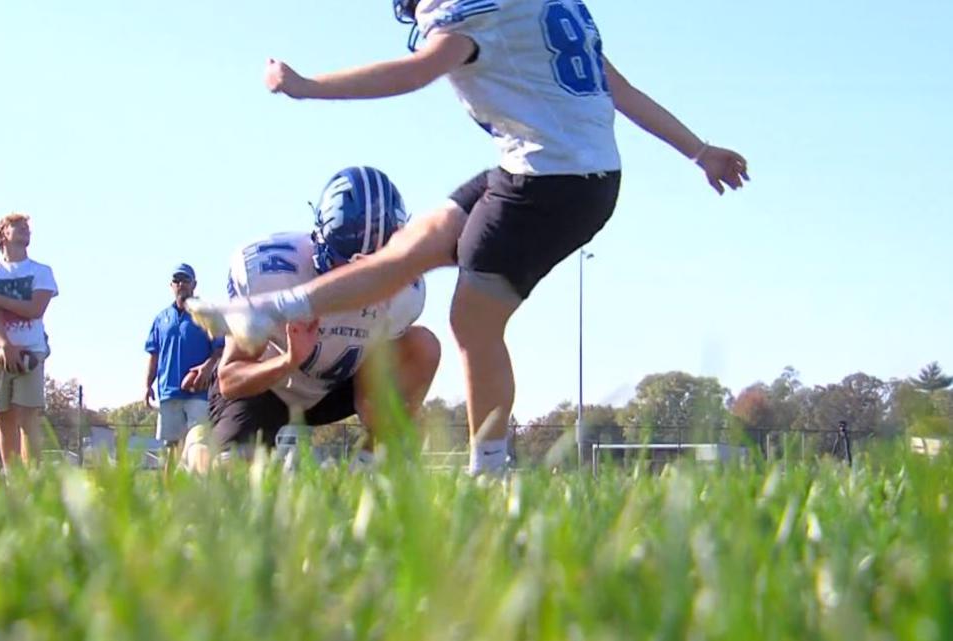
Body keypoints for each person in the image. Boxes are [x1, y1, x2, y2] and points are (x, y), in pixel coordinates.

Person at [188, 0, 749, 474]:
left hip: (551, 184)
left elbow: (414, 72)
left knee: (472, 325)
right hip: (551, 170)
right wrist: (698, 150)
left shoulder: (471, 13)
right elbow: (618, 87)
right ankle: (271, 310)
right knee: (415, 244)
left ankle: (490, 468)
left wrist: (305, 86)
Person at [189, 166, 440, 472]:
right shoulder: (271, 273)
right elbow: (230, 380)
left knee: (423, 345)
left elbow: (371, 382)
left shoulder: (405, 292)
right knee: (232, 477)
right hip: (268, 388)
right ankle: (199, 448)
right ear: (319, 241)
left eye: (372, 269)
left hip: (332, 388)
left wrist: (381, 416)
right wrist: (290, 359)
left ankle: (369, 465)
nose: (355, 280)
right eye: (343, 264)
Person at [0, 212, 58, 470]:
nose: (25, 229)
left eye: (27, 227)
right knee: (4, 420)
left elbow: (35, 309)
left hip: (31, 352)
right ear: (3, 234)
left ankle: (31, 480)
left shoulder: (41, 271)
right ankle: (12, 478)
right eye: (17, 225)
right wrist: (5, 345)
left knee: (28, 419)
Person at [144, 263, 223, 473]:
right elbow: (154, 353)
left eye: (185, 280)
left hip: (199, 393)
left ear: (194, 284)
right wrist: (147, 385)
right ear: (171, 285)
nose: (181, 285)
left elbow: (220, 350)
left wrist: (207, 368)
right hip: (169, 391)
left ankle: (201, 493)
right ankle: (170, 498)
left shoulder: (207, 314)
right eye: (177, 281)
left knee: (200, 444)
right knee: (173, 449)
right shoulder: (161, 319)